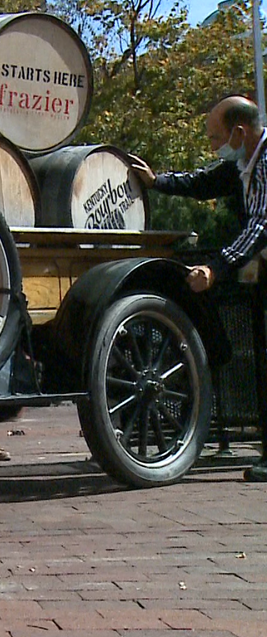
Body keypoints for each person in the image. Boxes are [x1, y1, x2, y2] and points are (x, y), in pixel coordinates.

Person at [128, 95, 267, 482]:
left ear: (239, 132)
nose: (212, 146)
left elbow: (260, 223)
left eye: (215, 137)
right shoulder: (243, 163)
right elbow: (204, 181)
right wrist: (159, 182)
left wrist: (216, 267)